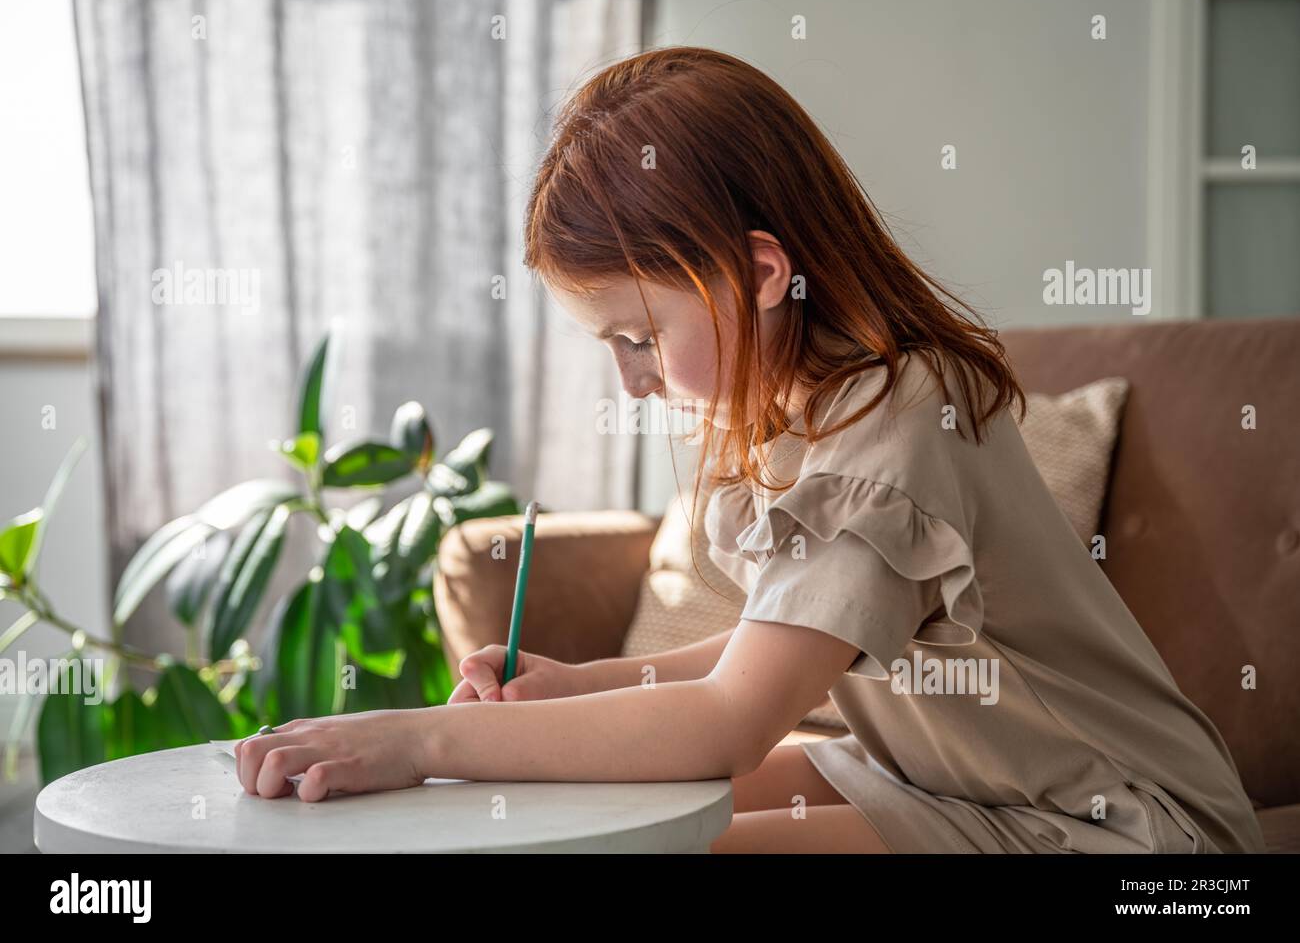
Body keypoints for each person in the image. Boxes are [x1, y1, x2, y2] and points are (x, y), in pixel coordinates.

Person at [235, 46, 1264, 854]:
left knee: (643, 843)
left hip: (1122, 823)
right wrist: (584, 681)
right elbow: (770, 655)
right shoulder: (810, 406)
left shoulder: (893, 421)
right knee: (566, 819)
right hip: (944, 772)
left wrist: (416, 737)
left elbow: (734, 719)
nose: (632, 379)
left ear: (761, 271)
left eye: (641, 336)